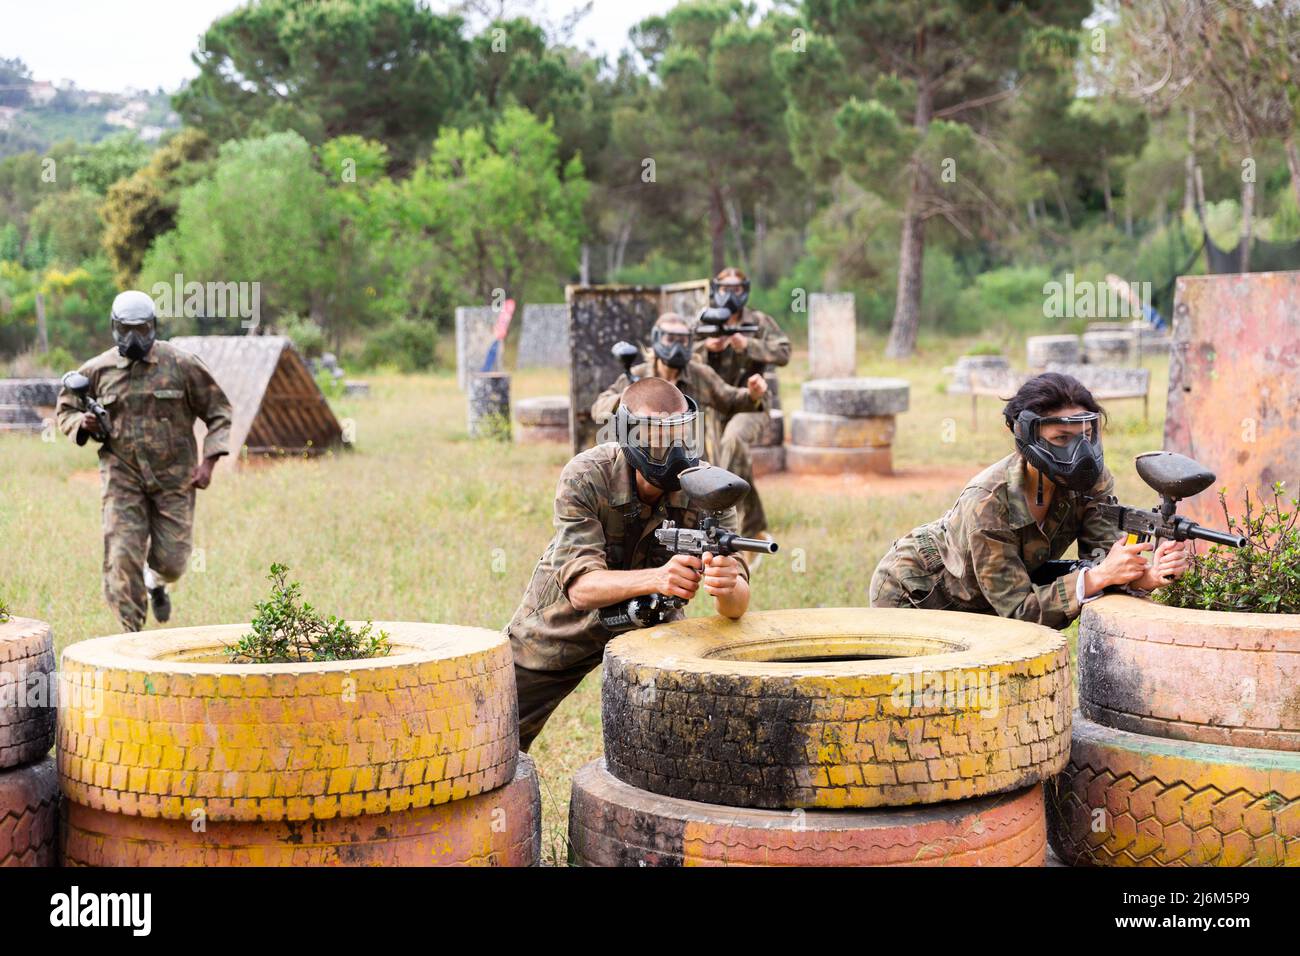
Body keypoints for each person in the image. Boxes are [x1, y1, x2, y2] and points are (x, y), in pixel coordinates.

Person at [507, 377, 752, 751]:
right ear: (630, 436)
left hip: (652, 625)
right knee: (493, 736)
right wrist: (659, 578)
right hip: (560, 628)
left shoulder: (709, 489)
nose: (672, 451)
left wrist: (727, 584)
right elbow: (581, 589)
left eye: (681, 434)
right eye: (657, 437)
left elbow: (736, 607)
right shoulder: (588, 475)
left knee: (683, 739)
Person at [869, 372, 1190, 629]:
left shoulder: (1092, 480)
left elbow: (1102, 562)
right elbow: (1022, 611)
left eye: (1085, 436)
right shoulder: (989, 501)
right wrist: (1100, 576)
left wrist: (1145, 576)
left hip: (999, 594)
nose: (1079, 453)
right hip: (921, 592)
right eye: (1062, 439)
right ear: (1027, 438)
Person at [55, 290, 233, 632]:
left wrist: (209, 463)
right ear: (114, 327)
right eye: (126, 329)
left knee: (174, 562)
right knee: (122, 556)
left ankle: (156, 582)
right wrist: (83, 424)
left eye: (142, 328)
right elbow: (66, 408)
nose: (134, 338)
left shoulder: (181, 364)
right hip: (122, 478)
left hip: (174, 479)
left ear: (154, 326)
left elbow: (219, 411)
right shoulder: (97, 369)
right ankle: (130, 638)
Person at [593, 312, 768, 535]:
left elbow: (731, 400)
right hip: (644, 468)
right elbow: (598, 408)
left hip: (690, 463)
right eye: (670, 339)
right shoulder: (637, 377)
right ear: (656, 340)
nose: (677, 346)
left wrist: (753, 394)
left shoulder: (700, 374)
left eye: (683, 340)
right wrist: (630, 400)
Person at [694, 267, 790, 539]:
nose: (730, 295)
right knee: (722, 463)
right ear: (716, 290)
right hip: (716, 404)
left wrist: (747, 345)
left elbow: (784, 352)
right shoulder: (705, 319)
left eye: (736, 289)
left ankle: (722, 526)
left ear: (745, 290)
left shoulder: (758, 322)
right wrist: (706, 348)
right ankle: (754, 526)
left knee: (733, 442)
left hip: (752, 402)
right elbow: (677, 353)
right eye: (725, 289)